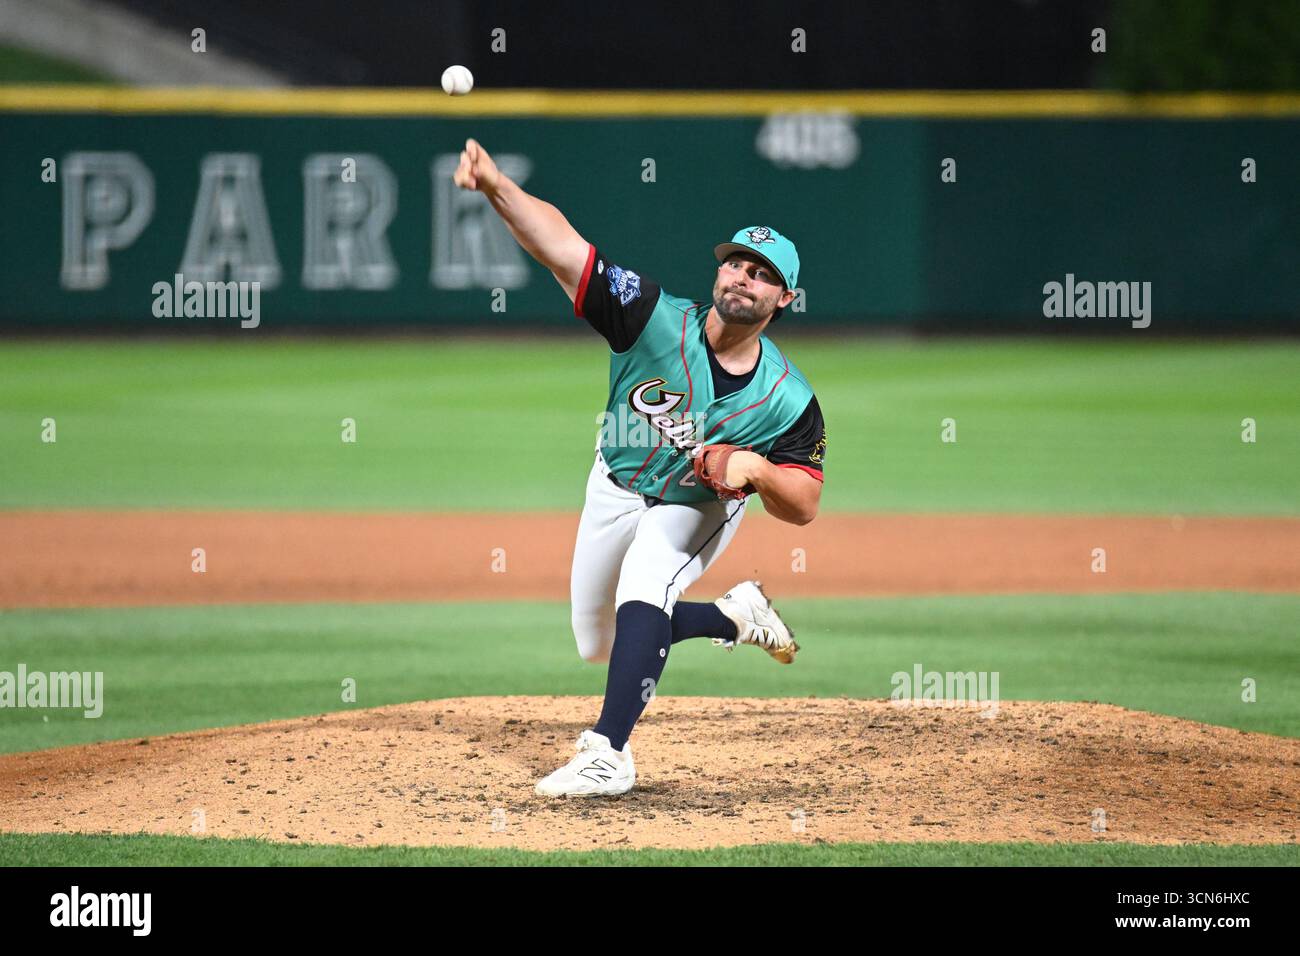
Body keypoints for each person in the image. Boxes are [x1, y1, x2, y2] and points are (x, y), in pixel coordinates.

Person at [453, 139, 827, 797]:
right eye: (736, 263)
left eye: (761, 272)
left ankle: (609, 753)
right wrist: (494, 186)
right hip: (613, 483)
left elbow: (803, 505)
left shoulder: (788, 400)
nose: (743, 276)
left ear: (785, 298)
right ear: (718, 275)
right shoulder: (650, 316)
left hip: (696, 507)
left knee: (648, 584)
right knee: (597, 640)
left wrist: (756, 471)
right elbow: (563, 248)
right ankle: (733, 616)